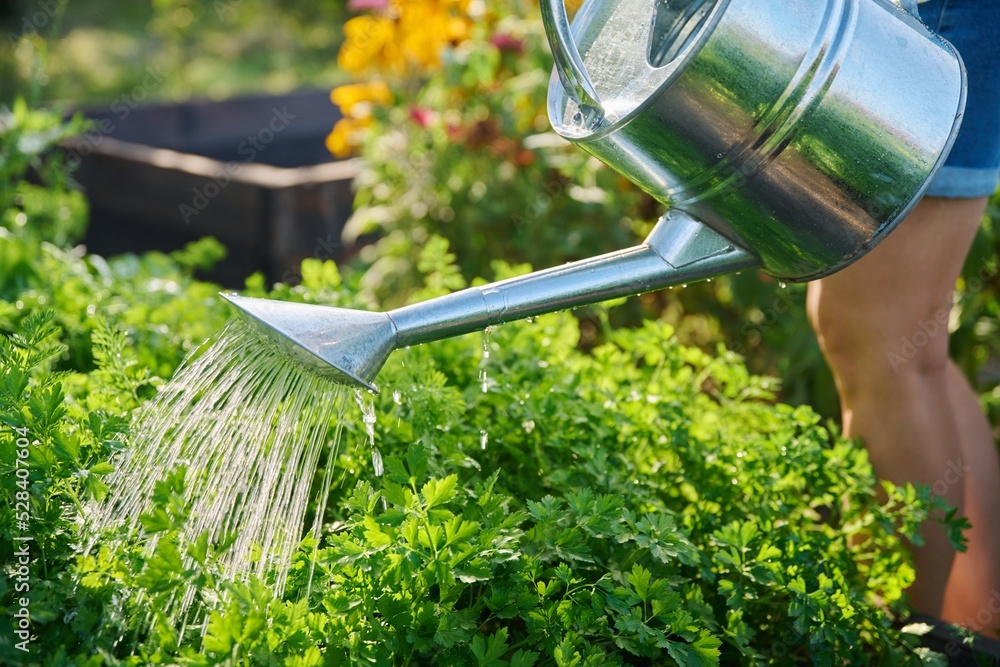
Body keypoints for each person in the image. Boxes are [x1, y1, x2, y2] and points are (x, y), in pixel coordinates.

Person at [807, 0, 1000, 638]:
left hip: (944, 20)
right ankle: (967, 626)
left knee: (880, 345)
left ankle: (903, 639)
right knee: (911, 349)